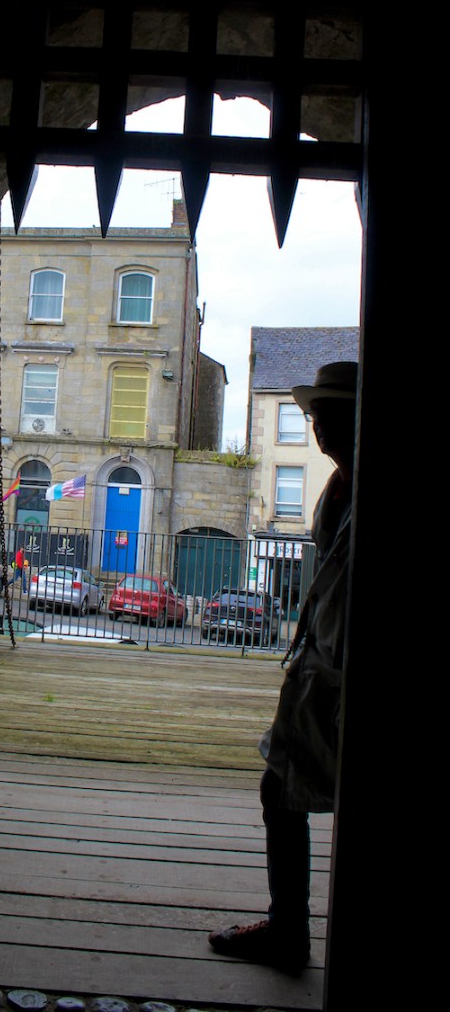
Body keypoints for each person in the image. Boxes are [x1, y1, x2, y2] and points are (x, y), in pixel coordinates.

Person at [208, 361, 358, 975]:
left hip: (334, 676)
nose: (318, 428)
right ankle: (288, 928)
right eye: (314, 416)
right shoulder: (341, 488)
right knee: (280, 788)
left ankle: (289, 933)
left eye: (331, 415)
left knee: (281, 789)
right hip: (318, 670)